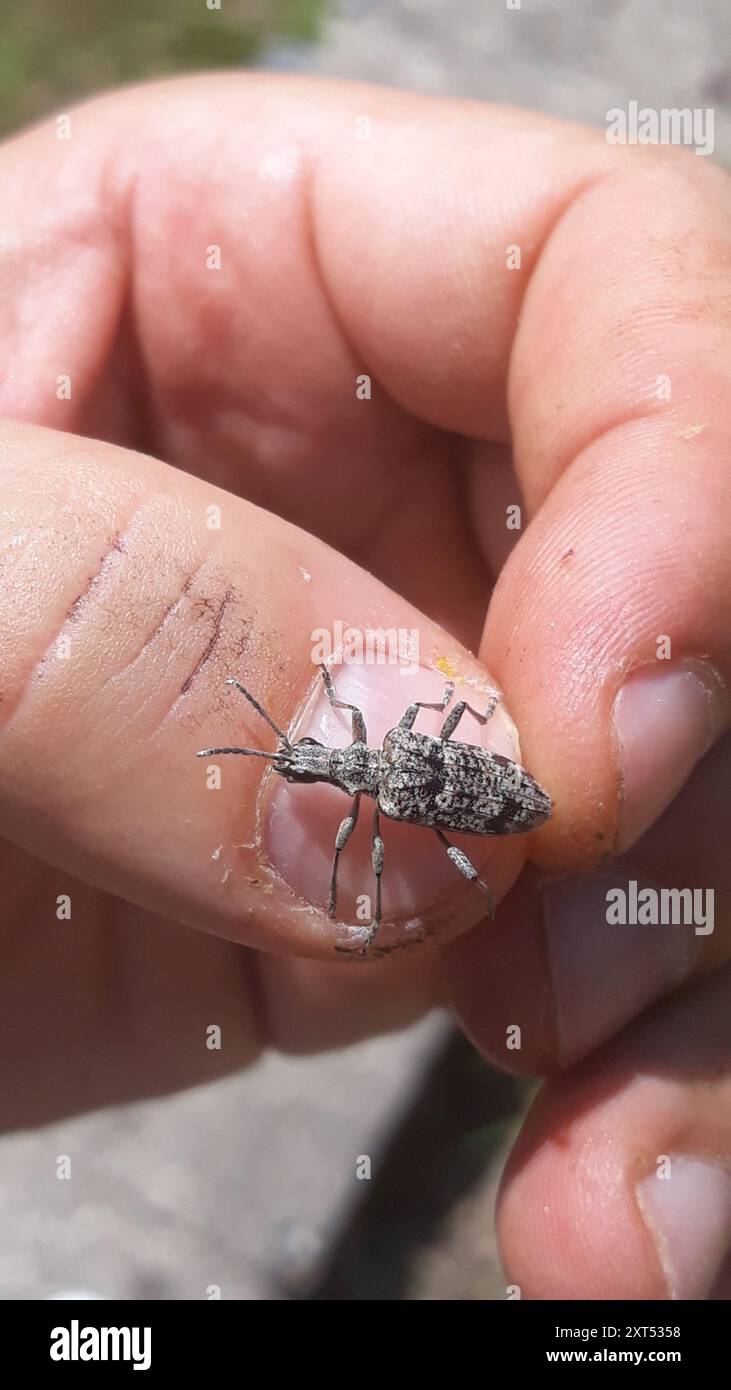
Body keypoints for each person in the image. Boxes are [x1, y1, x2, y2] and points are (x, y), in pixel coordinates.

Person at [0, 74, 728, 1300]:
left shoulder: (375, 767)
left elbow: (424, 759)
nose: (314, 768)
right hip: (469, 793)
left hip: (475, 788)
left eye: (315, 758)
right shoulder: (363, 778)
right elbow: (396, 798)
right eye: (314, 765)